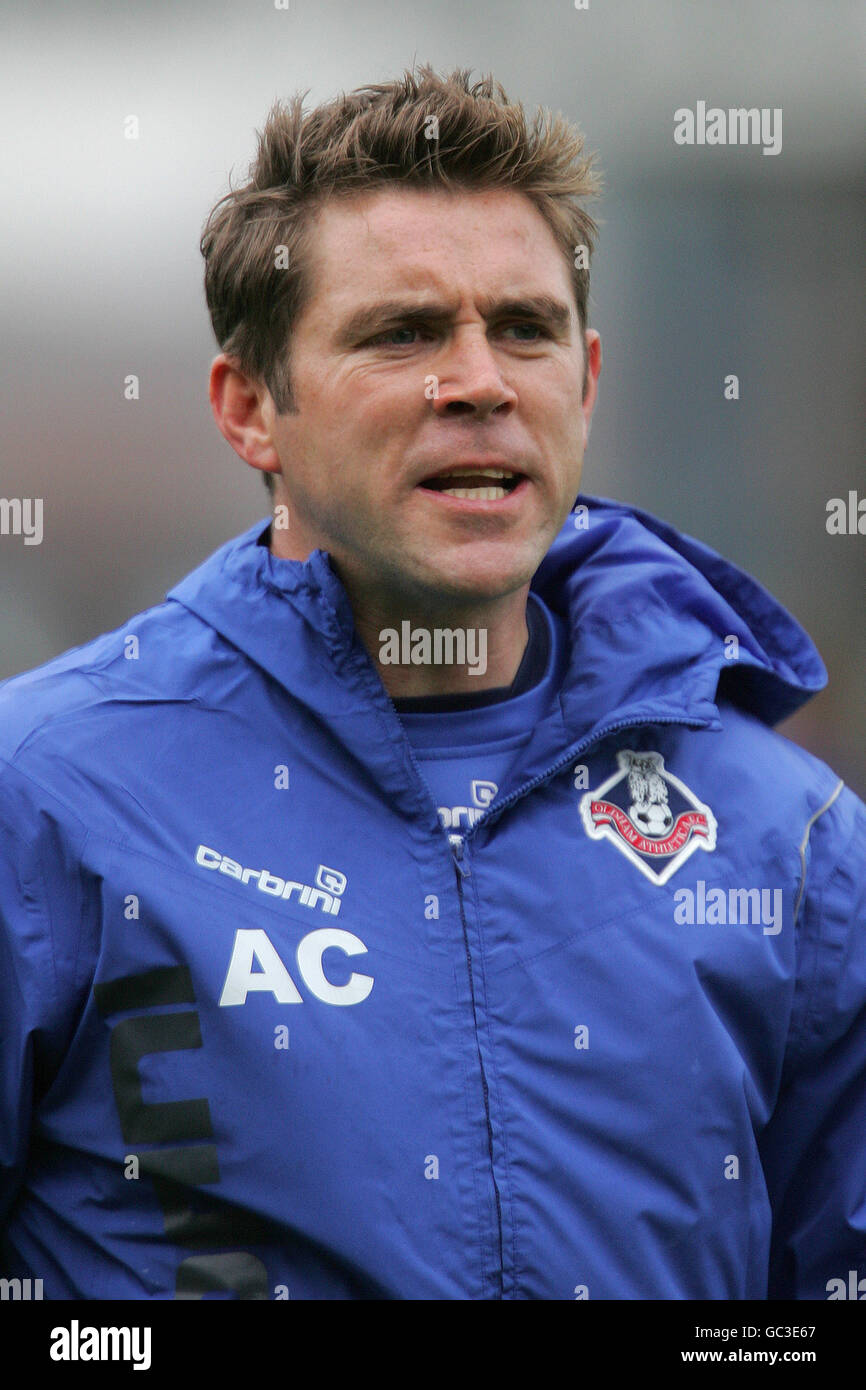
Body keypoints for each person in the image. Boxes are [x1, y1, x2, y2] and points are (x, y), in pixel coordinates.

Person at [0, 65, 863, 1302]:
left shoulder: (789, 840)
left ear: (586, 378)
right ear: (251, 409)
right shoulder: (45, 794)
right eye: (400, 333)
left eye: (523, 327)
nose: (478, 381)